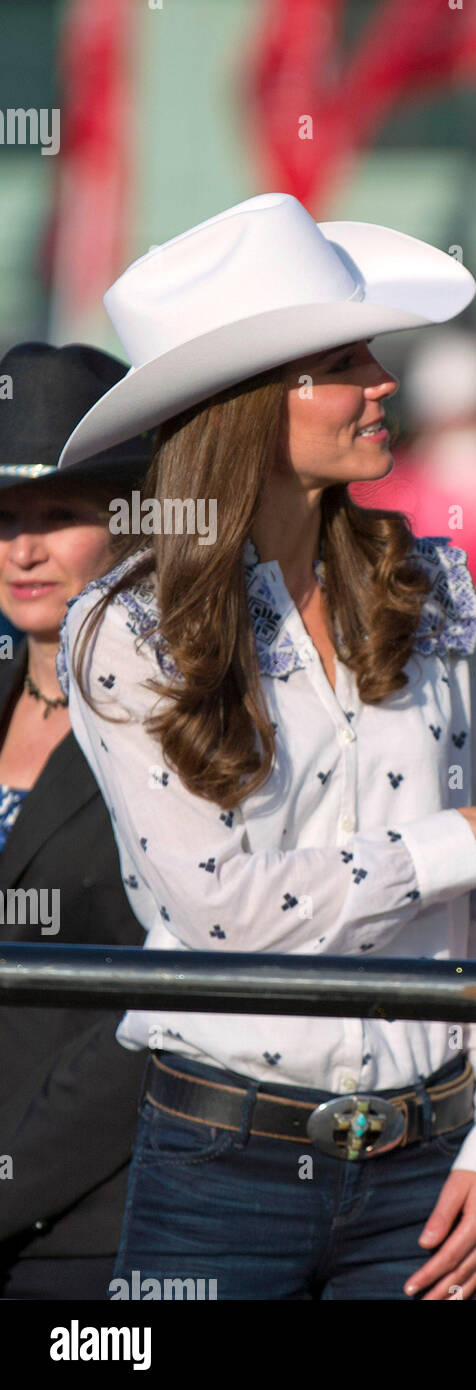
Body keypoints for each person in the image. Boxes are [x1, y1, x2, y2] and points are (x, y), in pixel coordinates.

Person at [57, 192, 476, 1300]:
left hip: (436, 1165)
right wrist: (471, 832)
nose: (385, 383)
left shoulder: (432, 586)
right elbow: (224, 912)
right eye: (343, 362)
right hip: (219, 1169)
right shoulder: (122, 629)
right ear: (245, 407)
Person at [0, 343, 155, 1300]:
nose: (22, 550)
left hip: (92, 1230)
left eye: (59, 516)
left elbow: (162, 998)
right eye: (3, 519)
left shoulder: (189, 723)